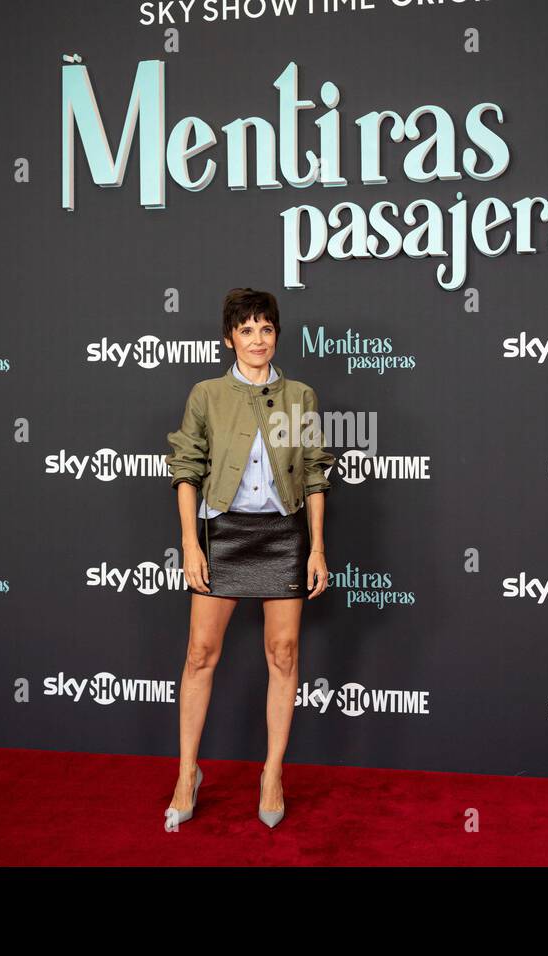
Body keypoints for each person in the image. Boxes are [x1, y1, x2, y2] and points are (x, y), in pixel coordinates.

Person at [162, 287, 336, 830]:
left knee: (283, 654)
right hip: (223, 532)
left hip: (283, 535)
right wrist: (191, 543)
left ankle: (272, 773)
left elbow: (313, 474)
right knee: (199, 654)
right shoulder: (206, 394)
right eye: (246, 330)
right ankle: (187, 772)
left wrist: (317, 548)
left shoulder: (300, 395)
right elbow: (186, 469)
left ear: (276, 335)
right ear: (229, 338)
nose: (257, 339)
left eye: (266, 329)